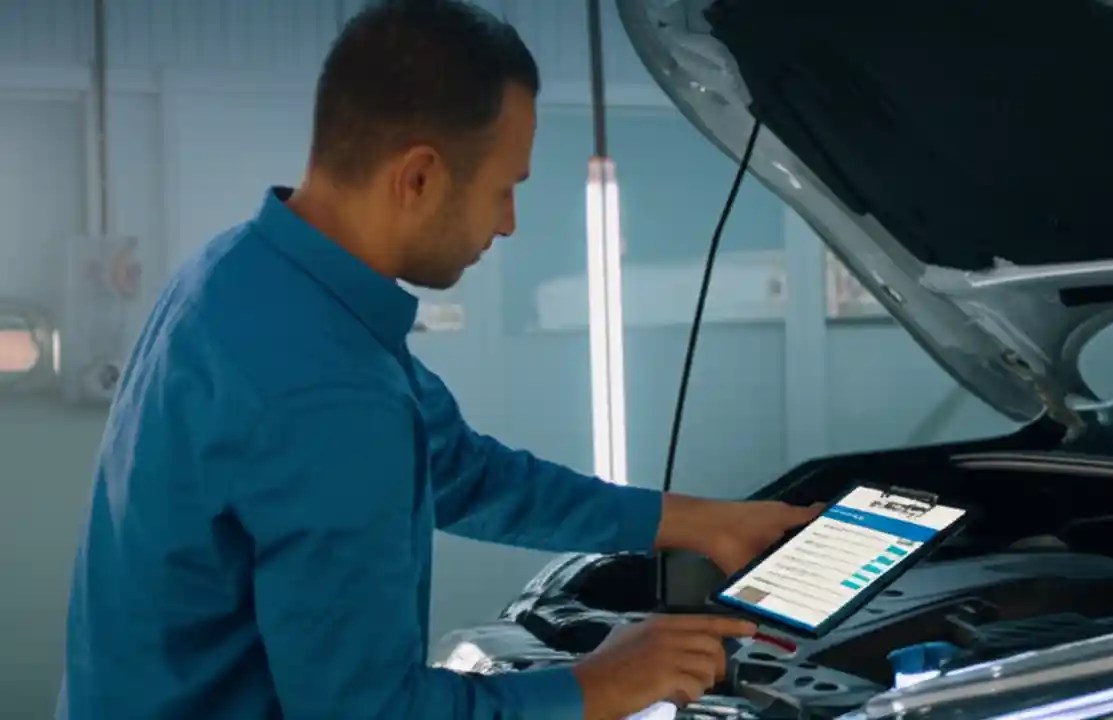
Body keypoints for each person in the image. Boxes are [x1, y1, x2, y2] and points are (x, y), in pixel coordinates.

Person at [57, 1, 819, 718]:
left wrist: (696, 522)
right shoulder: (327, 391)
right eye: (504, 189)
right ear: (418, 177)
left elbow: (461, 470)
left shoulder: (247, 279)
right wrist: (598, 684)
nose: (511, 223)